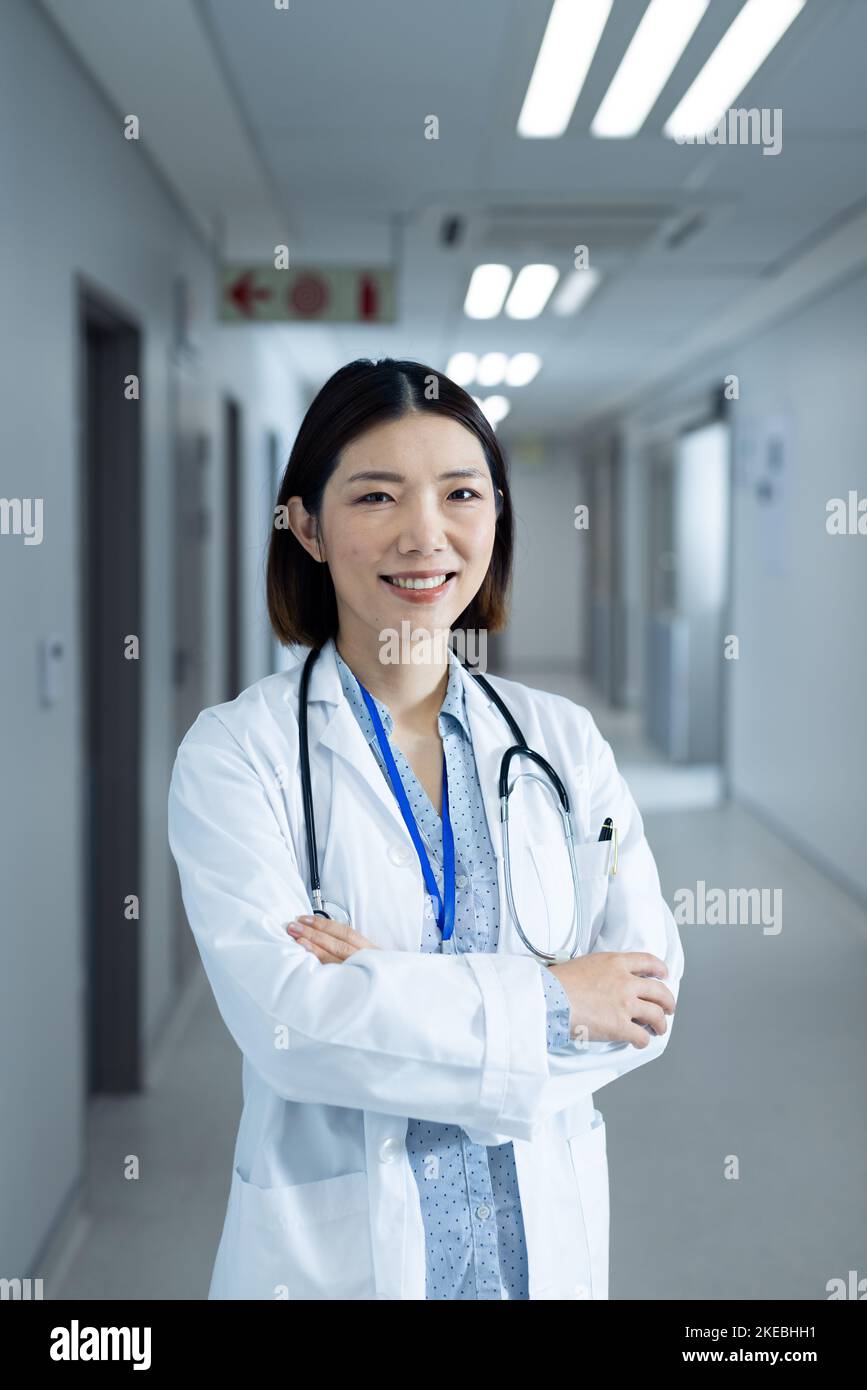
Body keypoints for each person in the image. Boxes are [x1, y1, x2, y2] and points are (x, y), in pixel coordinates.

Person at [167, 356, 684, 1300]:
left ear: (495, 517)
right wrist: (555, 999)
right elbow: (290, 1027)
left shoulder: (560, 742)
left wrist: (383, 986)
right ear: (306, 526)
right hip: (338, 1262)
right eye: (375, 496)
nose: (425, 534)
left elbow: (644, 1003)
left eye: (461, 493)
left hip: (539, 1251)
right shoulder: (236, 755)